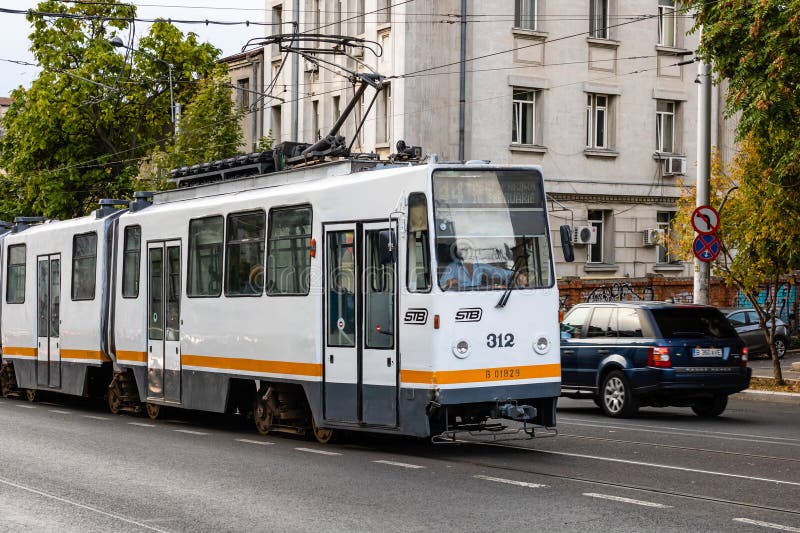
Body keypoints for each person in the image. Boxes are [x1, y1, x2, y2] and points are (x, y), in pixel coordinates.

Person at [439, 240, 527, 290]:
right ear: (459, 252)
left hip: (480, 300)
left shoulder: (479, 266)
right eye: (464, 250)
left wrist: (515, 275)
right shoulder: (453, 267)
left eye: (470, 250)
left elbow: (495, 271)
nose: (468, 252)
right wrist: (449, 282)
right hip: (460, 301)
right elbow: (441, 286)